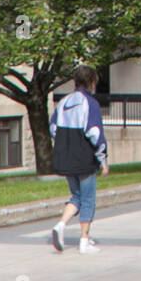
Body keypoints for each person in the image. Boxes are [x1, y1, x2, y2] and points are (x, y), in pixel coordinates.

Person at [49, 64, 108, 253]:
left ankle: (61, 225)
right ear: (91, 82)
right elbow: (94, 133)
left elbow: (53, 128)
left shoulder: (64, 102)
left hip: (66, 157)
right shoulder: (90, 104)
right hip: (84, 158)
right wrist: (103, 159)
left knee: (77, 195)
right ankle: (84, 241)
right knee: (88, 198)